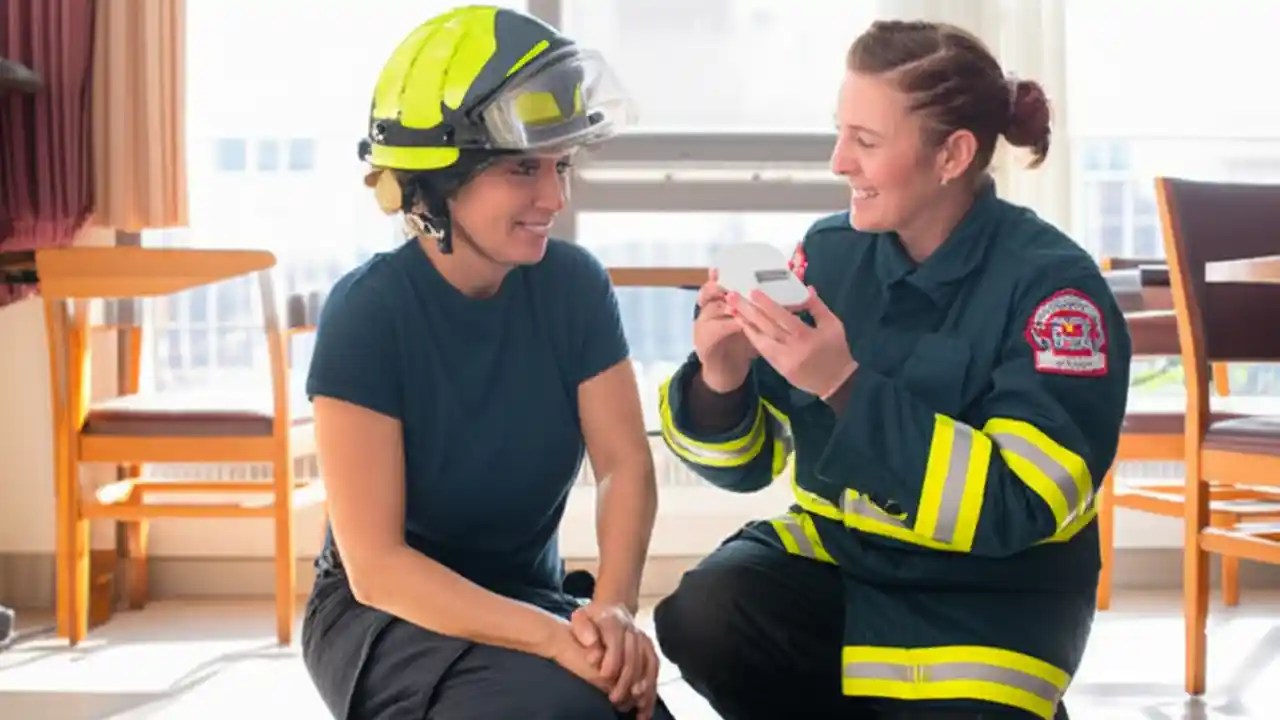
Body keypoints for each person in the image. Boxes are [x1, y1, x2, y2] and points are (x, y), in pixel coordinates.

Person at [652, 19, 1131, 720]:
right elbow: (750, 465)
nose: (838, 162)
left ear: (952, 155)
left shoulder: (1057, 293)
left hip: (988, 610)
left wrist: (844, 386)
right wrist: (720, 379)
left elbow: (1020, 503)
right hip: (844, 569)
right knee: (704, 614)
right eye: (840, 132)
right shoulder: (829, 251)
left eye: (866, 142)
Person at [299, 6, 671, 719]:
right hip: (388, 618)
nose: (554, 198)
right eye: (522, 169)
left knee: (634, 710)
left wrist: (615, 611)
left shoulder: (574, 286)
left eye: (560, 166)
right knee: (567, 708)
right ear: (438, 180)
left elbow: (624, 464)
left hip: (528, 598)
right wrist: (555, 639)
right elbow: (377, 568)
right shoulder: (367, 314)